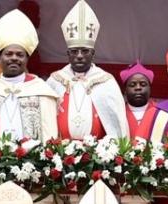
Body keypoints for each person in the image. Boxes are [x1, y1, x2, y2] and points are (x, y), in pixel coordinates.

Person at [0, 10, 59, 140]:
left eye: (20, 55)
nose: (14, 58)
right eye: (9, 54)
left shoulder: (42, 91)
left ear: (27, 59)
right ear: (0, 57)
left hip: (31, 153)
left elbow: (49, 134)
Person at [46, 0, 127, 139]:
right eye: (74, 51)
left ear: (93, 53)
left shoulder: (106, 82)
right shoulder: (55, 81)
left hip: (98, 149)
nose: (79, 56)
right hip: (59, 149)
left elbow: (116, 123)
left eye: (84, 51)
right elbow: (46, 119)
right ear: (68, 54)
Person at [120, 63, 160, 139]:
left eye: (143, 84)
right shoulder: (119, 113)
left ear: (150, 89)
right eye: (132, 85)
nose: (138, 88)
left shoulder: (160, 112)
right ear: (125, 90)